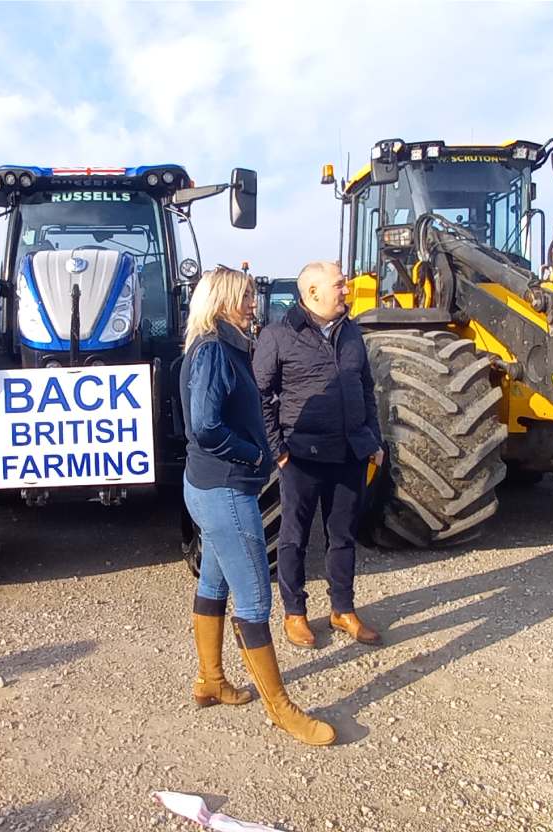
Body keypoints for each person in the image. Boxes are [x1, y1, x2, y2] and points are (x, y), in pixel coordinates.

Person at [181, 266, 336, 747]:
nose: (254, 303)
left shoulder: (221, 346)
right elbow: (205, 427)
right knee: (254, 600)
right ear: (224, 300)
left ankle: (210, 680)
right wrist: (253, 453)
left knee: (214, 580)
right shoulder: (213, 350)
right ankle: (282, 709)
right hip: (225, 490)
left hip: (210, 487)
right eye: (246, 296)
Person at [254, 260, 386, 649]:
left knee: (342, 535)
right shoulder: (278, 335)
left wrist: (373, 439)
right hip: (301, 457)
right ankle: (295, 614)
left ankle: (342, 609)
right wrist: (278, 451)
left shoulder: (351, 333)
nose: (346, 290)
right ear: (312, 293)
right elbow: (260, 396)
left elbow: (366, 389)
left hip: (350, 453)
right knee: (294, 538)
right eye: (339, 285)